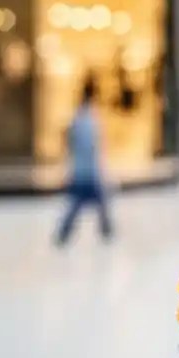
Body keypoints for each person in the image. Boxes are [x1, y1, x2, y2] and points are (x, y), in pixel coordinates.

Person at [55, 78, 113, 246]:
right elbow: (89, 146)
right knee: (91, 202)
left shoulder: (79, 117)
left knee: (86, 204)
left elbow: (70, 141)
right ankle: (106, 232)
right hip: (87, 171)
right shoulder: (88, 118)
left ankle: (105, 231)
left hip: (82, 169)